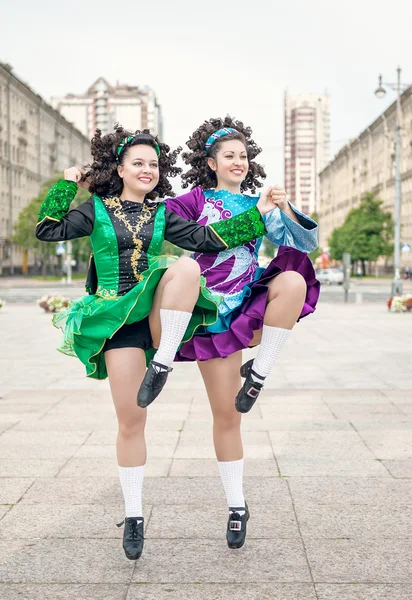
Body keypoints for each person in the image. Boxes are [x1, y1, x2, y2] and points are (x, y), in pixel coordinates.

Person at [35, 125, 278, 561]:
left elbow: (208, 240)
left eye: (153, 164)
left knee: (185, 269)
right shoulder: (96, 209)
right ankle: (133, 516)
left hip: (159, 316)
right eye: (138, 163)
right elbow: (47, 229)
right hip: (117, 322)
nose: (147, 170)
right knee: (131, 420)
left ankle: (164, 363)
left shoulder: (164, 213)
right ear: (120, 168)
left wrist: (258, 213)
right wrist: (68, 182)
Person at [161, 116, 320, 549]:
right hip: (211, 318)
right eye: (228, 156)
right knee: (227, 416)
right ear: (210, 162)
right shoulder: (194, 200)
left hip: (247, 305)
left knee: (293, 280)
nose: (238, 162)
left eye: (244, 156)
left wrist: (283, 208)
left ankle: (261, 372)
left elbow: (304, 246)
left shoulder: (259, 203)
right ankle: (237, 505)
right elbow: (168, 233)